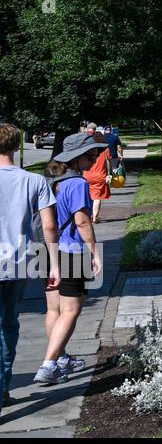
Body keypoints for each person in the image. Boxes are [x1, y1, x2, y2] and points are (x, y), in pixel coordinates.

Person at [34, 134, 103, 386]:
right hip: (72, 253)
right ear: (75, 157)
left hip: (47, 250)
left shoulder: (50, 179)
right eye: (90, 155)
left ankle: (61, 358)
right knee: (71, 310)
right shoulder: (78, 183)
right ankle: (49, 364)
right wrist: (95, 252)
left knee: (54, 310)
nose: (95, 159)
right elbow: (82, 221)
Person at [0, 124, 58, 409]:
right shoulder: (35, 182)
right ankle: (3, 384)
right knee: (8, 323)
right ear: (16, 146)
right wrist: (55, 263)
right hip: (18, 263)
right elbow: (49, 226)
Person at [83, 128, 113, 224]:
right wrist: (110, 173)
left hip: (87, 175)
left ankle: (88, 215)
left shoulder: (88, 149)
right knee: (97, 197)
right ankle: (95, 217)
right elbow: (109, 162)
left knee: (88, 196)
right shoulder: (105, 149)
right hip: (100, 175)